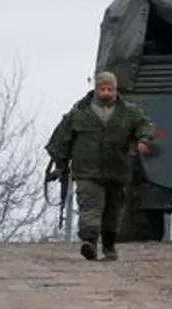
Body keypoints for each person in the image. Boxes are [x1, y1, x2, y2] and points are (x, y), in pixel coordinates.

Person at [46, 71, 154, 261]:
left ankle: (109, 245)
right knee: (90, 206)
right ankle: (89, 242)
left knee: (113, 210)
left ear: (116, 90)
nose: (106, 93)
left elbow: (145, 125)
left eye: (110, 89)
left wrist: (143, 140)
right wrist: (60, 164)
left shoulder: (128, 112)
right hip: (87, 170)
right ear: (95, 89)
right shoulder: (79, 112)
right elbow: (61, 139)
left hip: (117, 170)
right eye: (102, 89)